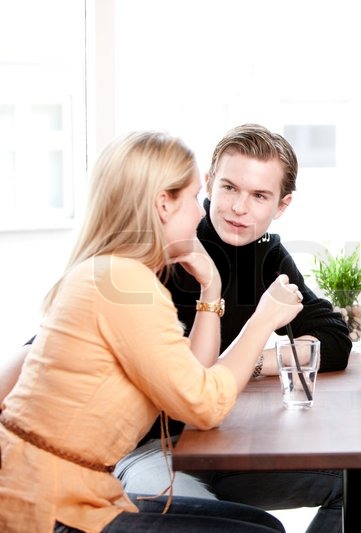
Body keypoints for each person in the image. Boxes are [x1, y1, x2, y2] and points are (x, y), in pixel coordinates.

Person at [0, 131, 302, 532]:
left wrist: (210, 288)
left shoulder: (115, 273)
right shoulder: (125, 286)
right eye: (196, 196)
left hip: (81, 494)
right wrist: (263, 320)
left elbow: (189, 384)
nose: (202, 211)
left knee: (264, 526)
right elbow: (205, 404)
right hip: (49, 507)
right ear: (163, 204)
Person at [114, 123, 352, 533]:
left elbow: (333, 339)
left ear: (281, 204)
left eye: (259, 196)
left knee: (355, 485)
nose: (239, 208)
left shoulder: (266, 254)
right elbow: (188, 386)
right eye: (229, 188)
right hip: (151, 451)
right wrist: (240, 355)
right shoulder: (159, 251)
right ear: (207, 184)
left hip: (225, 446)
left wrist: (255, 363)